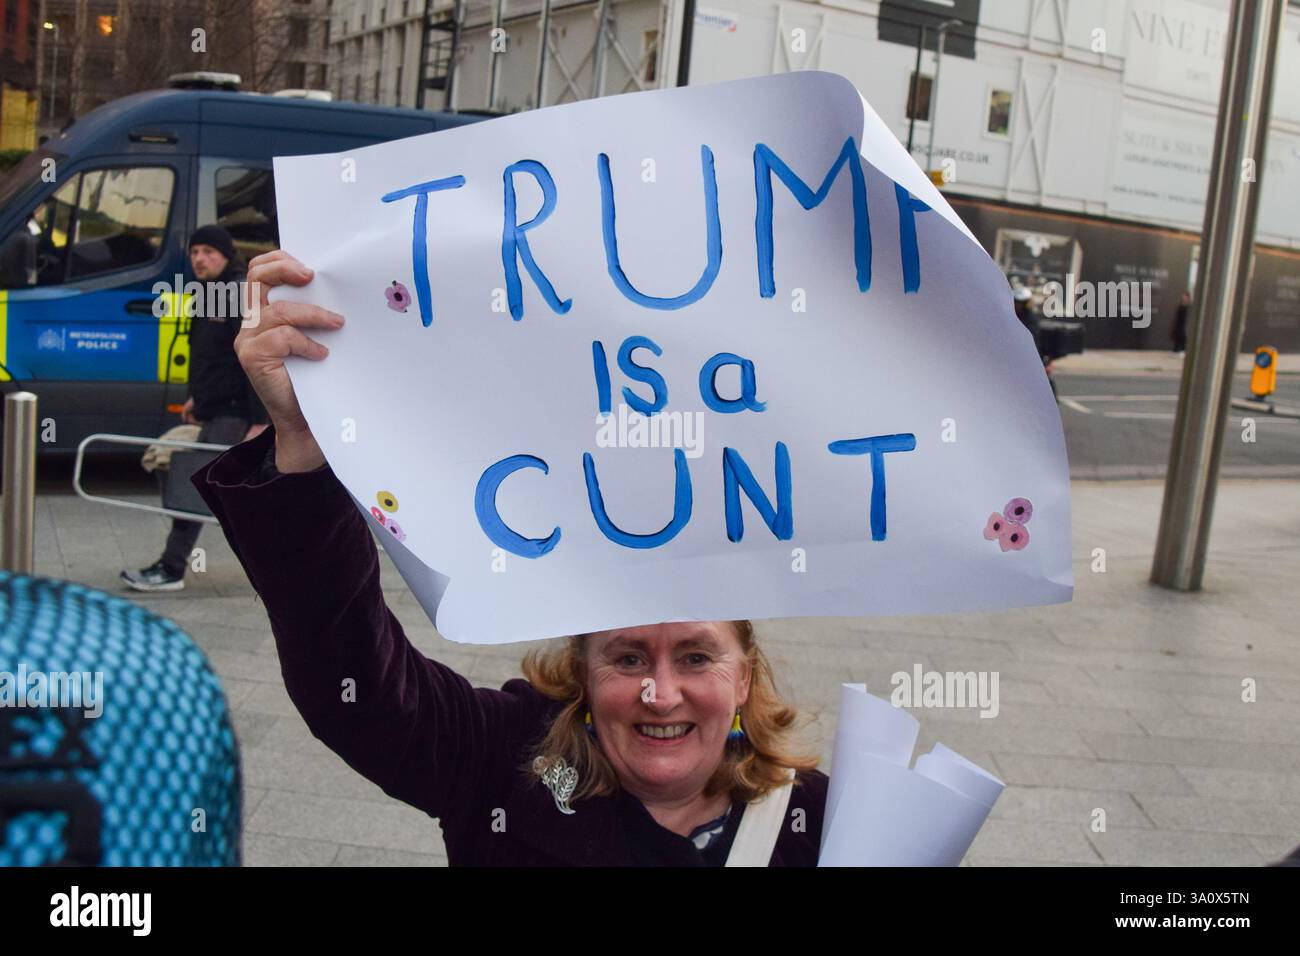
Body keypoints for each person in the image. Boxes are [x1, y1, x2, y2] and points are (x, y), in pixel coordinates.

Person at [191, 251, 828, 865]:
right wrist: (306, 436)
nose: (659, 695)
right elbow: (354, 685)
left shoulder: (827, 826)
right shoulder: (501, 764)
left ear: (744, 675)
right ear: (582, 669)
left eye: (695, 657)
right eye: (627, 657)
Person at [122, 225, 268, 592]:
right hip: (215, 408)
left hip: (235, 412)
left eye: (208, 251)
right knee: (234, 493)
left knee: (196, 489)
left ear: (225, 254)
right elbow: (209, 358)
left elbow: (252, 359)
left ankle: (171, 569)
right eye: (195, 252)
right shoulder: (207, 294)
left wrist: (259, 420)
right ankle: (287, 565)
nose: (199, 258)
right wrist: (195, 400)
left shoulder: (237, 294)